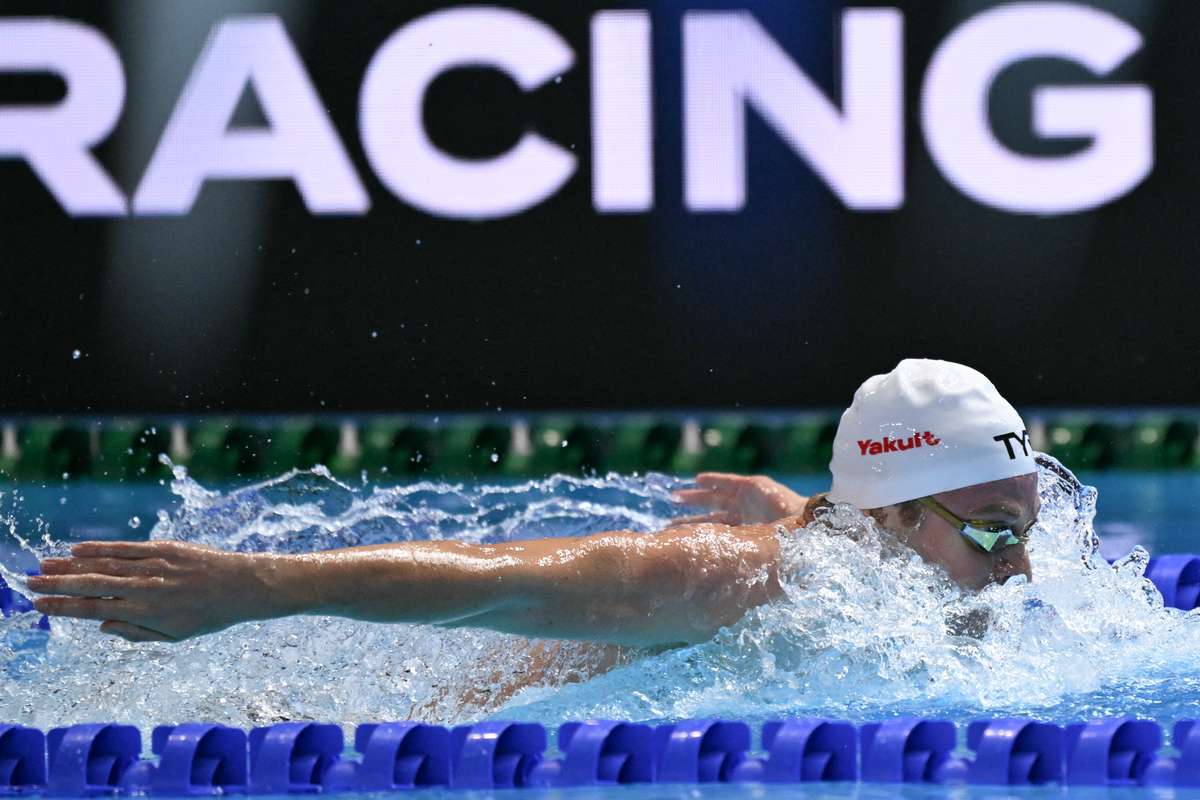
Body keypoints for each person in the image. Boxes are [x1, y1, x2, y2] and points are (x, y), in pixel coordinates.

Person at [28, 359, 1038, 648]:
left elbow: (827, 513)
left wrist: (778, 498)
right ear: (892, 519)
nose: (1024, 567)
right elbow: (498, 578)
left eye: (1027, 528)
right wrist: (251, 587)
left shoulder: (860, 537)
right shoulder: (736, 575)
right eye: (997, 533)